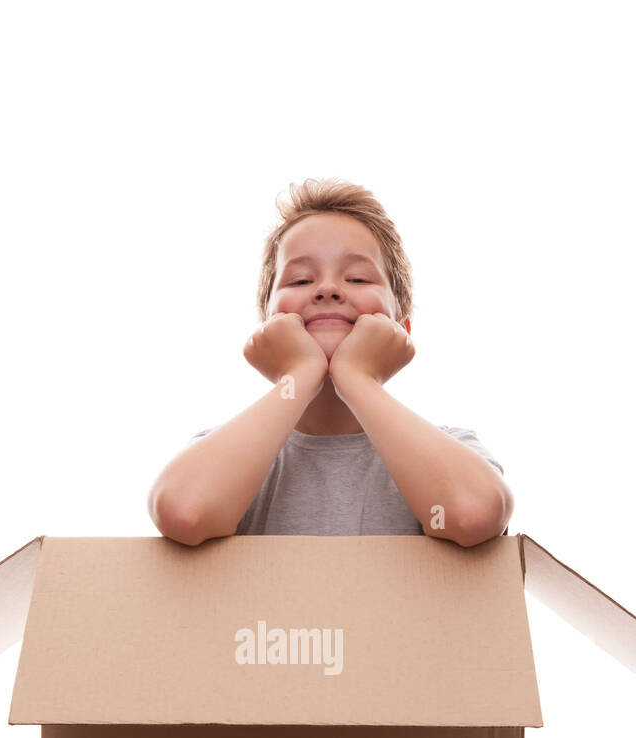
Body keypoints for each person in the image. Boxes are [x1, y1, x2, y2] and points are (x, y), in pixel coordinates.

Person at [147, 177, 513, 545]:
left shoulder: (452, 448)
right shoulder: (223, 451)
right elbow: (185, 512)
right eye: (300, 280)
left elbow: (472, 514)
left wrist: (356, 378)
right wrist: (301, 373)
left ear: (400, 328)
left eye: (357, 277)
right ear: (268, 327)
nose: (327, 289)